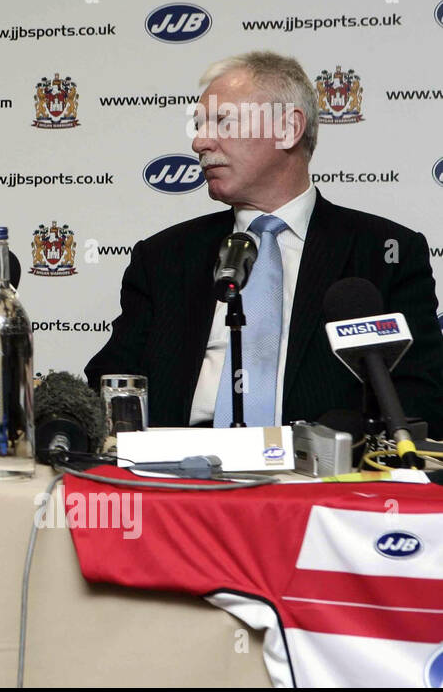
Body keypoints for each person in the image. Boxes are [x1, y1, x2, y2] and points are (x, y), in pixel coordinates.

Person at [86, 51, 443, 434]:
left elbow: (420, 396)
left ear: (288, 129)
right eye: (199, 125)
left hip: (318, 474)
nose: (200, 142)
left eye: (223, 122)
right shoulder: (163, 258)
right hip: (183, 473)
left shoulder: (385, 253)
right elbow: (112, 380)